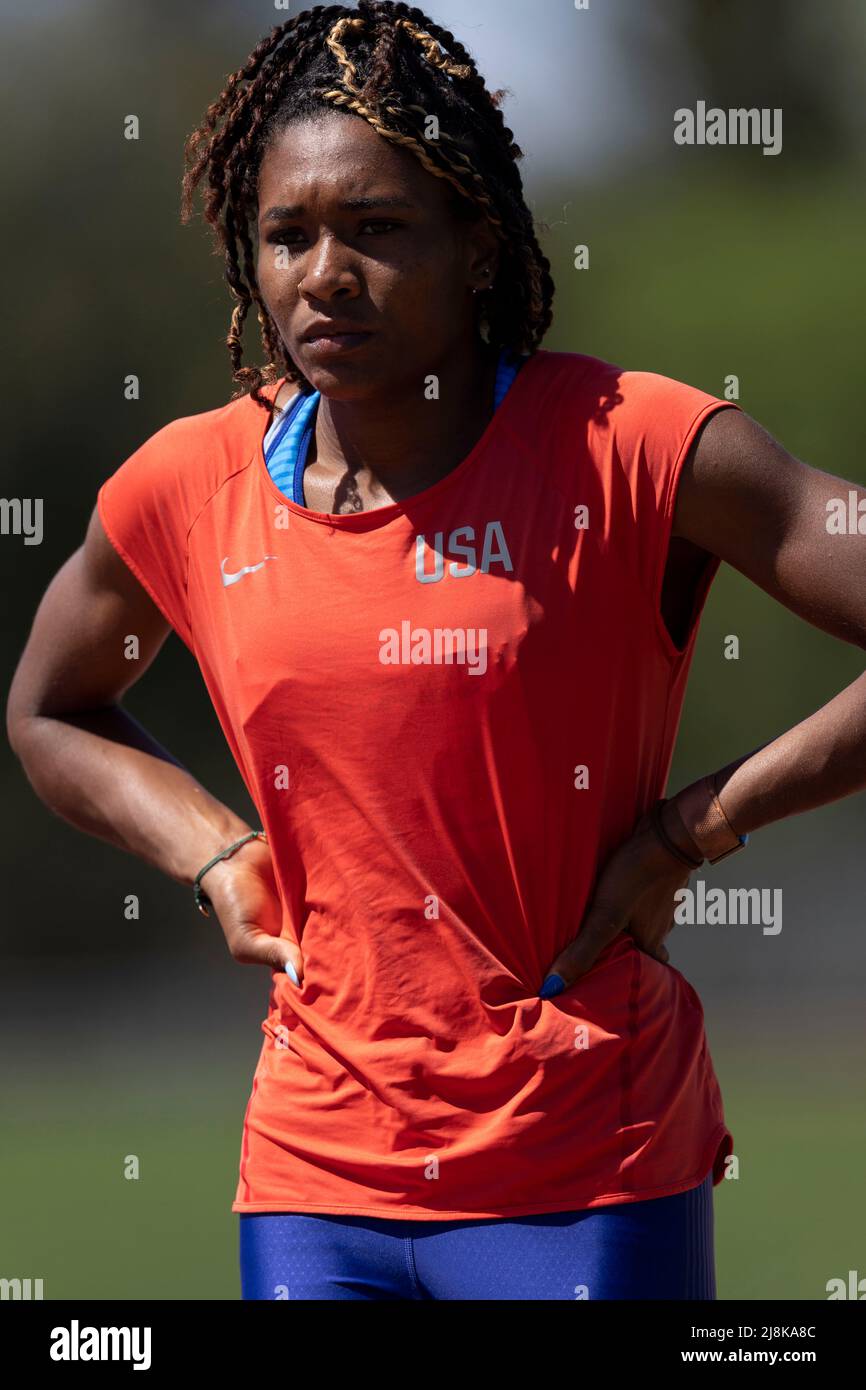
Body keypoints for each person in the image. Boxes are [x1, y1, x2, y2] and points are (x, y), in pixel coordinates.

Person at [7, 0, 866, 1301]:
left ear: (476, 246)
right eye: (287, 235)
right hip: (312, 1177)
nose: (323, 272)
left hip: (583, 1162)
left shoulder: (630, 446)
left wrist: (701, 823)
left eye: (377, 228)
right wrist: (212, 850)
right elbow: (50, 709)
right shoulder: (188, 484)